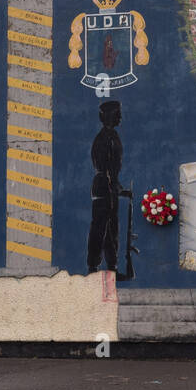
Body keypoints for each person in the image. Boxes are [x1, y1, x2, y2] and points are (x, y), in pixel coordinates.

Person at [86, 100, 123, 273]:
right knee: (100, 227)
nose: (120, 117)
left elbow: (113, 167)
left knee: (110, 228)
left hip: (109, 186)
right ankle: (94, 265)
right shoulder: (104, 138)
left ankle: (112, 264)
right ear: (109, 116)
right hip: (103, 187)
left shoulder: (112, 136)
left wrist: (116, 185)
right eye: (117, 114)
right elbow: (104, 166)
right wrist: (111, 184)